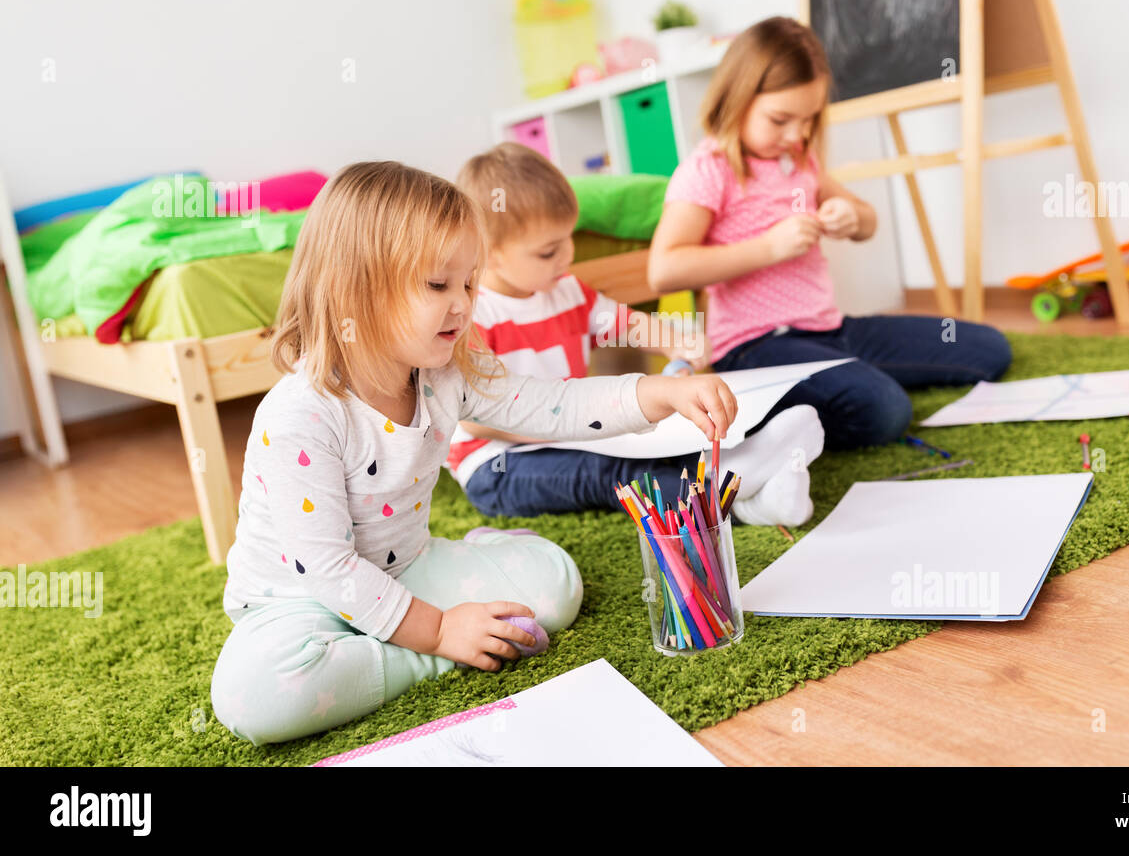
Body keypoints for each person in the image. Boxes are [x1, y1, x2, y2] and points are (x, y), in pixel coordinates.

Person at [210, 160, 737, 744]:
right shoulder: (301, 416)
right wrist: (438, 635)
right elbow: (330, 571)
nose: (463, 304)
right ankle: (439, 651)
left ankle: (449, 611)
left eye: (469, 282)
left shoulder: (443, 371)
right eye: (439, 285)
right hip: (300, 602)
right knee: (256, 698)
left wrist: (661, 391)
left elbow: (549, 405)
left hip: (405, 568)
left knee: (556, 586)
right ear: (354, 288)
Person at [648, 16, 1012, 450]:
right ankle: (781, 414)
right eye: (780, 119)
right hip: (755, 348)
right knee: (885, 411)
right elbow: (664, 269)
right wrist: (769, 247)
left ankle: (844, 377)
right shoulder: (708, 171)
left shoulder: (802, 161)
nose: (797, 134)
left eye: (808, 119)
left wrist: (852, 216)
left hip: (831, 330)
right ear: (736, 100)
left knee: (989, 350)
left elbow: (868, 221)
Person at [447, 142, 827, 527]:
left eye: (569, 238)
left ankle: (746, 487)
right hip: (496, 464)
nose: (566, 257)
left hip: (574, 434)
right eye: (548, 252)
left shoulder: (568, 291)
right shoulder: (474, 313)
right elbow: (477, 419)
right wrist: (567, 432)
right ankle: (734, 494)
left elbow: (624, 324)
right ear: (488, 253)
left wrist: (679, 342)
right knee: (608, 473)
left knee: (645, 443)